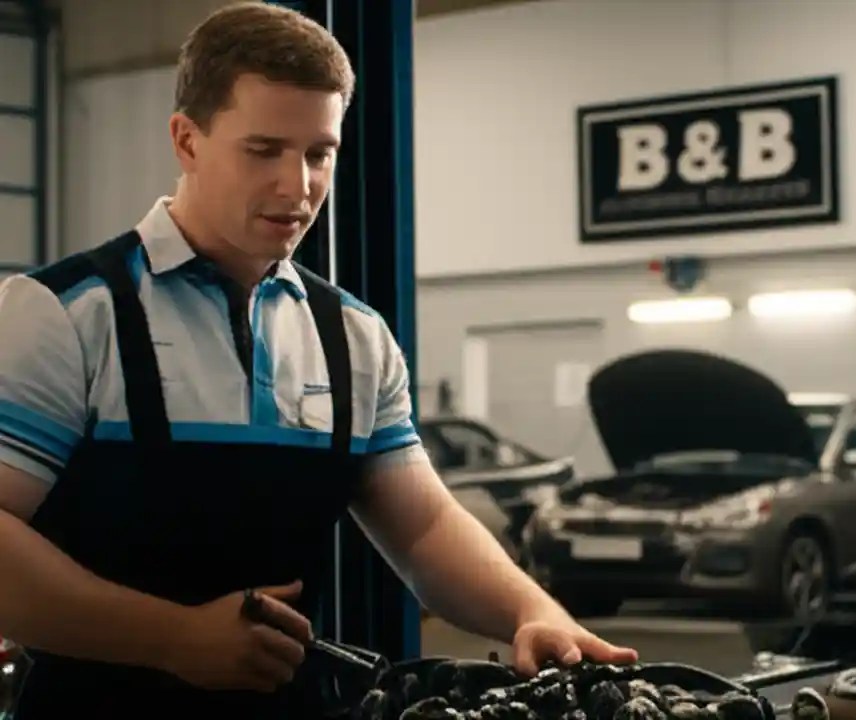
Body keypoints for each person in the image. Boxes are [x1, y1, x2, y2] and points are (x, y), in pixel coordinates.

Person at [0, 4, 636, 717]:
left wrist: (532, 612)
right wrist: (172, 639)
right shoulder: (62, 317)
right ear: (187, 139)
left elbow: (424, 528)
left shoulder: (354, 339)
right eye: (263, 149)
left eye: (318, 153)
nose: (297, 186)